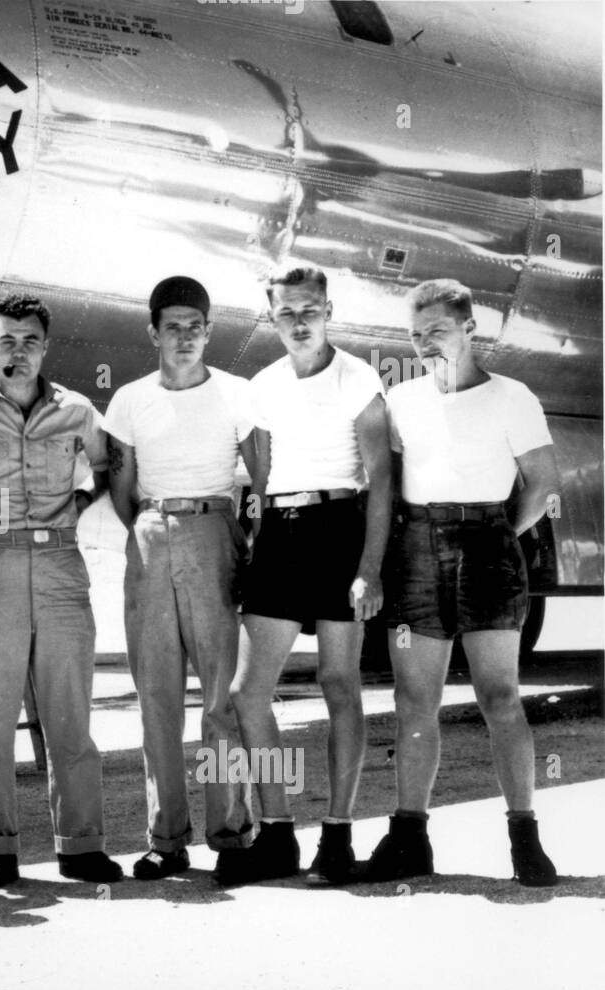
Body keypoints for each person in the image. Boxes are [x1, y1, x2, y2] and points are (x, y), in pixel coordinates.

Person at [0, 293, 122, 891]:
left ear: (46, 346)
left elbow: (108, 468)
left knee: (71, 713)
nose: (18, 351)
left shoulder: (79, 411)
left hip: (60, 562)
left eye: (29, 340)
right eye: (7, 340)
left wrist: (80, 504)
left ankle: (81, 846)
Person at [368, 279, 560, 887]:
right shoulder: (401, 400)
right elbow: (390, 482)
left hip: (487, 547)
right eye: (416, 333)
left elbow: (541, 482)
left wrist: (498, 534)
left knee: (500, 698)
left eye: (438, 330)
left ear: (470, 327)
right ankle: (410, 838)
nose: (427, 343)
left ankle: (524, 838)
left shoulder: (512, 397)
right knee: (413, 702)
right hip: (417, 549)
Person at [221, 266, 392, 886]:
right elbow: (262, 473)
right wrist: (257, 532)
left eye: (310, 310)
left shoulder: (359, 376)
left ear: (329, 312)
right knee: (247, 692)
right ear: (272, 317)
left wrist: (369, 569)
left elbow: (379, 480)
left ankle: (339, 838)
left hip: (340, 527)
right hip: (281, 532)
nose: (300, 321)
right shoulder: (261, 385)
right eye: (287, 311)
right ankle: (276, 834)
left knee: (338, 682)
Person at [105, 277, 258, 879]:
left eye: (196, 326)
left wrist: (239, 545)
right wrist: (153, 528)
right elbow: (122, 489)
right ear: (153, 332)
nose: (186, 337)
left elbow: (262, 483)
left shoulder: (238, 394)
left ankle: (231, 835)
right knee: (156, 699)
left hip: (214, 530)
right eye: (173, 326)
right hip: (150, 537)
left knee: (222, 699)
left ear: (208, 331)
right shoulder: (129, 400)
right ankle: (165, 839)